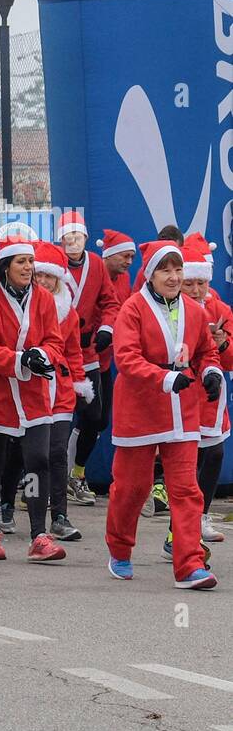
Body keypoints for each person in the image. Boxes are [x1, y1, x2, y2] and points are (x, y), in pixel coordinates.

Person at [106, 240, 220, 589]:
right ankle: (120, 549)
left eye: (178, 270)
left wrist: (211, 372)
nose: (173, 277)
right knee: (132, 488)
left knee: (186, 490)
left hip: (182, 411)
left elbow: (206, 352)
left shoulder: (195, 311)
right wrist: (165, 377)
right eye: (165, 270)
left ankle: (188, 565)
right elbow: (125, 358)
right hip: (140, 409)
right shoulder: (132, 309)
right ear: (150, 274)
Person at [0, 236, 67, 562]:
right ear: (4, 266)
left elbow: (54, 341)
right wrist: (20, 360)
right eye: (21, 262)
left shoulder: (44, 299)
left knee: (39, 459)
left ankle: (39, 535)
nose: (28, 268)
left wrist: (42, 355)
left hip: (33, 395)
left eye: (30, 262)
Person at [70, 229, 136, 506]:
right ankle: (67, 475)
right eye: (125, 255)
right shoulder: (92, 270)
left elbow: (119, 309)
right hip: (79, 355)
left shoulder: (124, 279)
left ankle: (74, 472)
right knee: (81, 416)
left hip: (103, 358)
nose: (129, 261)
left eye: (132, 257)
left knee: (100, 420)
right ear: (108, 256)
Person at [32, 243, 92, 542]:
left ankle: (59, 514)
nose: (43, 281)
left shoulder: (68, 310)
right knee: (32, 457)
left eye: (49, 277)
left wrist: (80, 382)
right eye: (38, 275)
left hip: (61, 389)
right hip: (29, 389)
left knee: (56, 453)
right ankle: (12, 504)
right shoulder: (26, 305)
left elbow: (73, 351)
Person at [178, 239, 233, 547]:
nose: (196, 289)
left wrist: (222, 343)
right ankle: (180, 527)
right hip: (179, 393)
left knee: (214, 454)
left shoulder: (219, 308)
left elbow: (230, 358)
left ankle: (201, 517)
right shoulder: (170, 308)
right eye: (190, 283)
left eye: (201, 282)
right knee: (184, 461)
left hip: (211, 395)